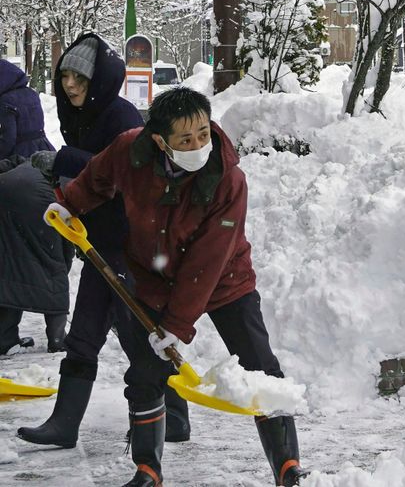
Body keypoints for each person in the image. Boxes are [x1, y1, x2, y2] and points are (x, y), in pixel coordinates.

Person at [46, 87, 303, 487]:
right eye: (185, 139)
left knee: (261, 368)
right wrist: (69, 203)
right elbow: (97, 177)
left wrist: (177, 325)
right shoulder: (130, 151)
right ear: (159, 140)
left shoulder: (227, 178)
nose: (198, 145)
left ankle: (288, 467)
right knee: (145, 373)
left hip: (225, 280)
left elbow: (208, 260)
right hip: (153, 278)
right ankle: (148, 469)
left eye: (203, 133)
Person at [18, 34, 192, 448]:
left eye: (79, 78)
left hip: (132, 246)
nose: (70, 85)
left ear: (98, 80)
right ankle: (64, 424)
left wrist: (63, 161)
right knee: (84, 334)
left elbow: (128, 174)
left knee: (138, 334)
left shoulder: (121, 115)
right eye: (65, 76)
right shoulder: (81, 115)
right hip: (100, 243)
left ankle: (174, 416)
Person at [0, 58, 67, 355]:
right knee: (53, 254)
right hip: (42, 162)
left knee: (10, 258)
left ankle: (6, 336)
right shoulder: (28, 94)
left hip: (15, 171)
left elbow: (6, 141)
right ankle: (56, 336)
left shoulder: (5, 103)